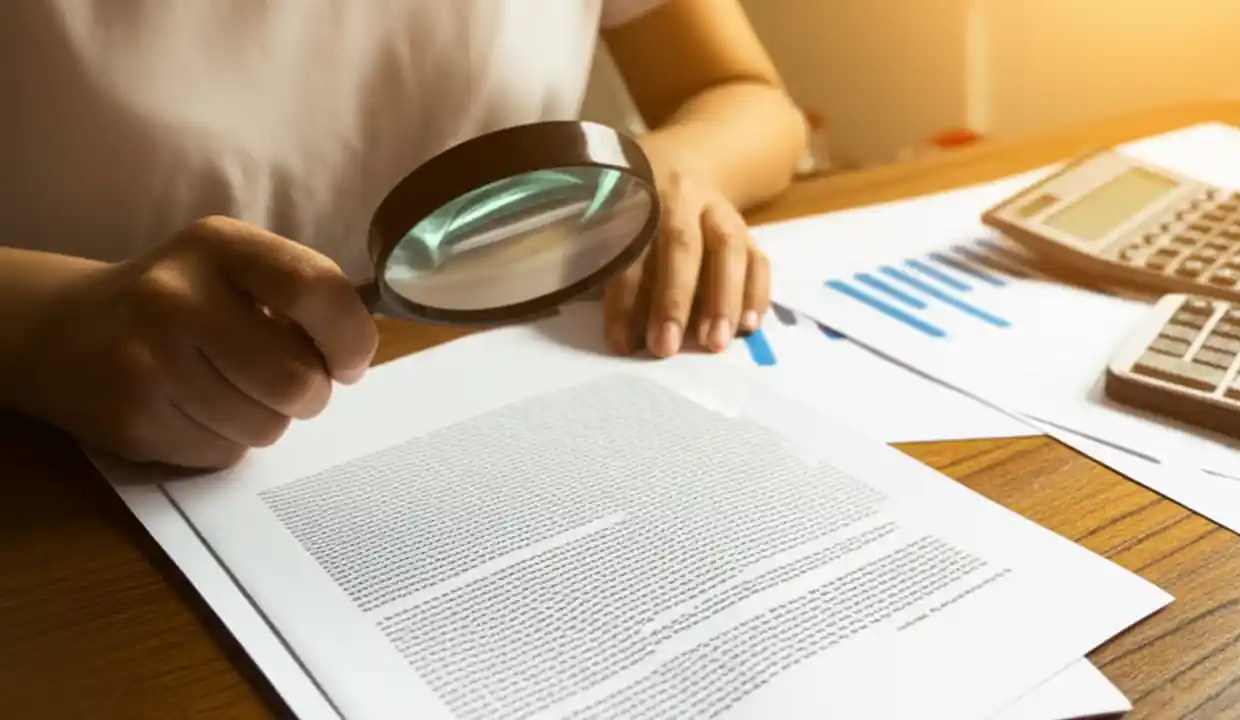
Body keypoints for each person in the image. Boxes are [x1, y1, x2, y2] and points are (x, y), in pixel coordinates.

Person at [0, 0, 807, 469]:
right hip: (76, 482)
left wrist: (679, 165)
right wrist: (40, 323)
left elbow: (742, 93)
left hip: (514, 432)